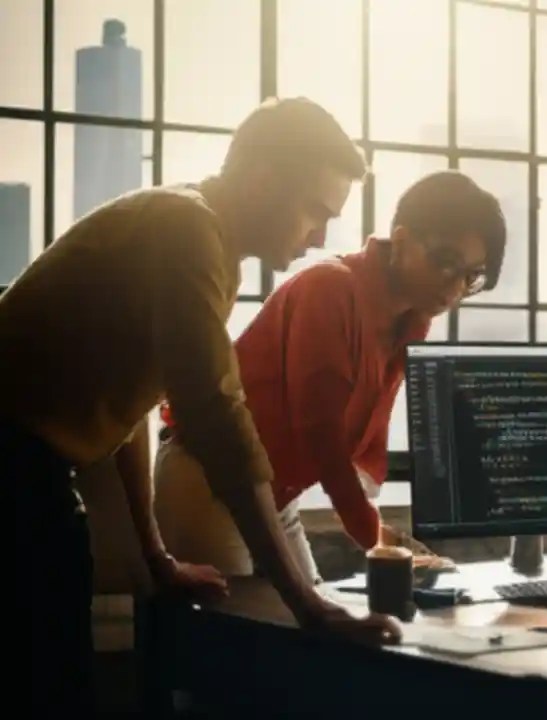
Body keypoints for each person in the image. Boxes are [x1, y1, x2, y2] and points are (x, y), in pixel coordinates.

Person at [0, 96, 403, 713]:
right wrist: (308, 604)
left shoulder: (199, 239)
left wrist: (156, 556)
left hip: (32, 469)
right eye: (314, 212)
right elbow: (217, 418)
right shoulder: (187, 230)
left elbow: (130, 404)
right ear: (264, 179)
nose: (321, 236)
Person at [153, 171, 506, 583]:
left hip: (273, 493)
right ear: (404, 240)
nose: (456, 288)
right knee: (245, 632)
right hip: (208, 478)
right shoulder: (332, 289)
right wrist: (372, 536)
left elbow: (366, 433)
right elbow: (321, 434)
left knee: (315, 623)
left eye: (472, 275)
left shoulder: (411, 319)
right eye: (446, 262)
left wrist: (378, 531)